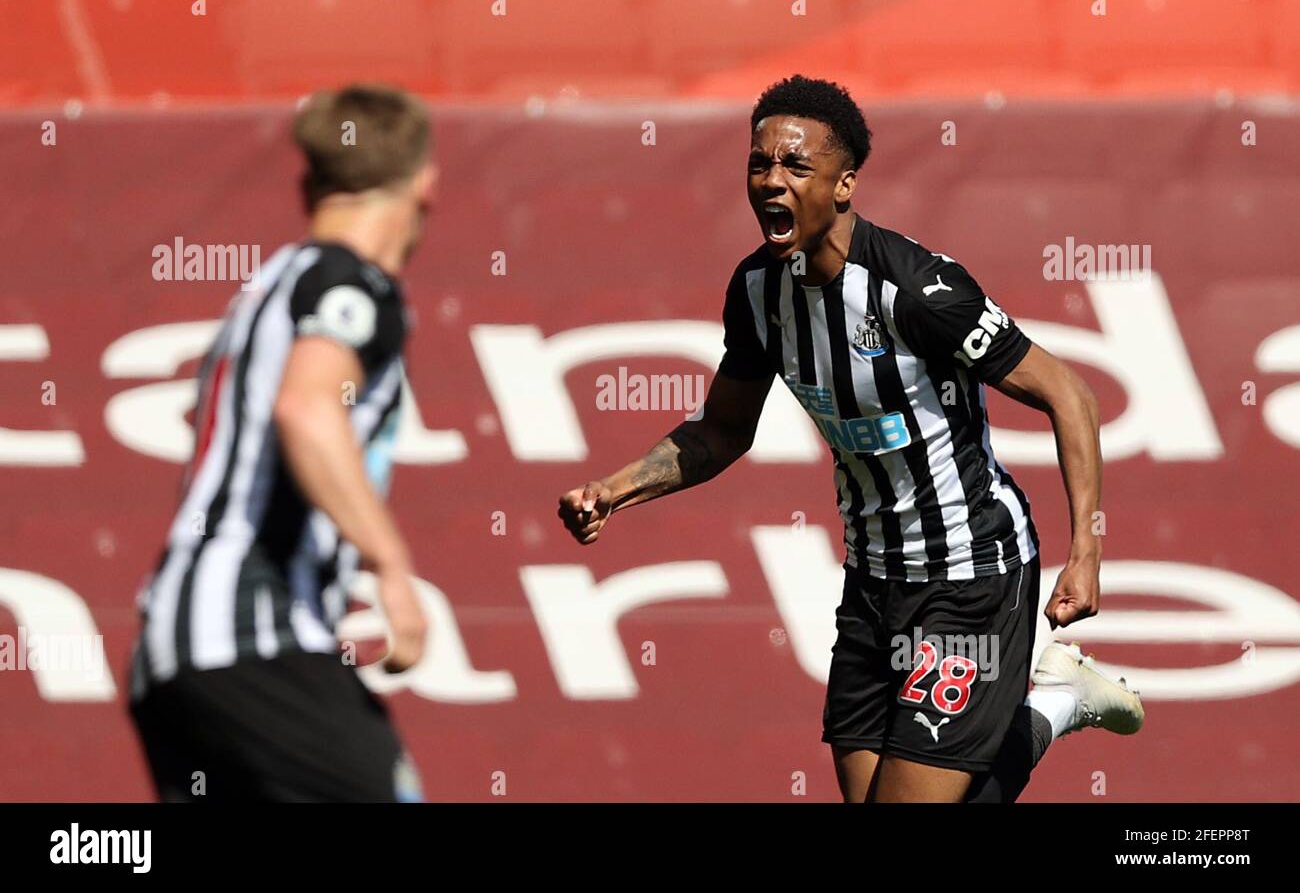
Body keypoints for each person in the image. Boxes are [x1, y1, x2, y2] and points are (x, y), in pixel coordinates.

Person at [557, 75, 1143, 802]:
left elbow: (1070, 393)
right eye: (758, 163)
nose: (771, 180)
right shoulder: (757, 292)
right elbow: (722, 430)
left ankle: (1052, 704)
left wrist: (1086, 554)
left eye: (795, 166)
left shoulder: (919, 289)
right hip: (872, 579)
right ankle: (1054, 699)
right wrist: (613, 490)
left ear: (843, 184)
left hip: (970, 574)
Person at [128, 84, 434, 802]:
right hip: (251, 638)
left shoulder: (269, 284)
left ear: (308, 184)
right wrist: (390, 564)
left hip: (172, 654)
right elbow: (306, 408)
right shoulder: (352, 285)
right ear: (425, 183)